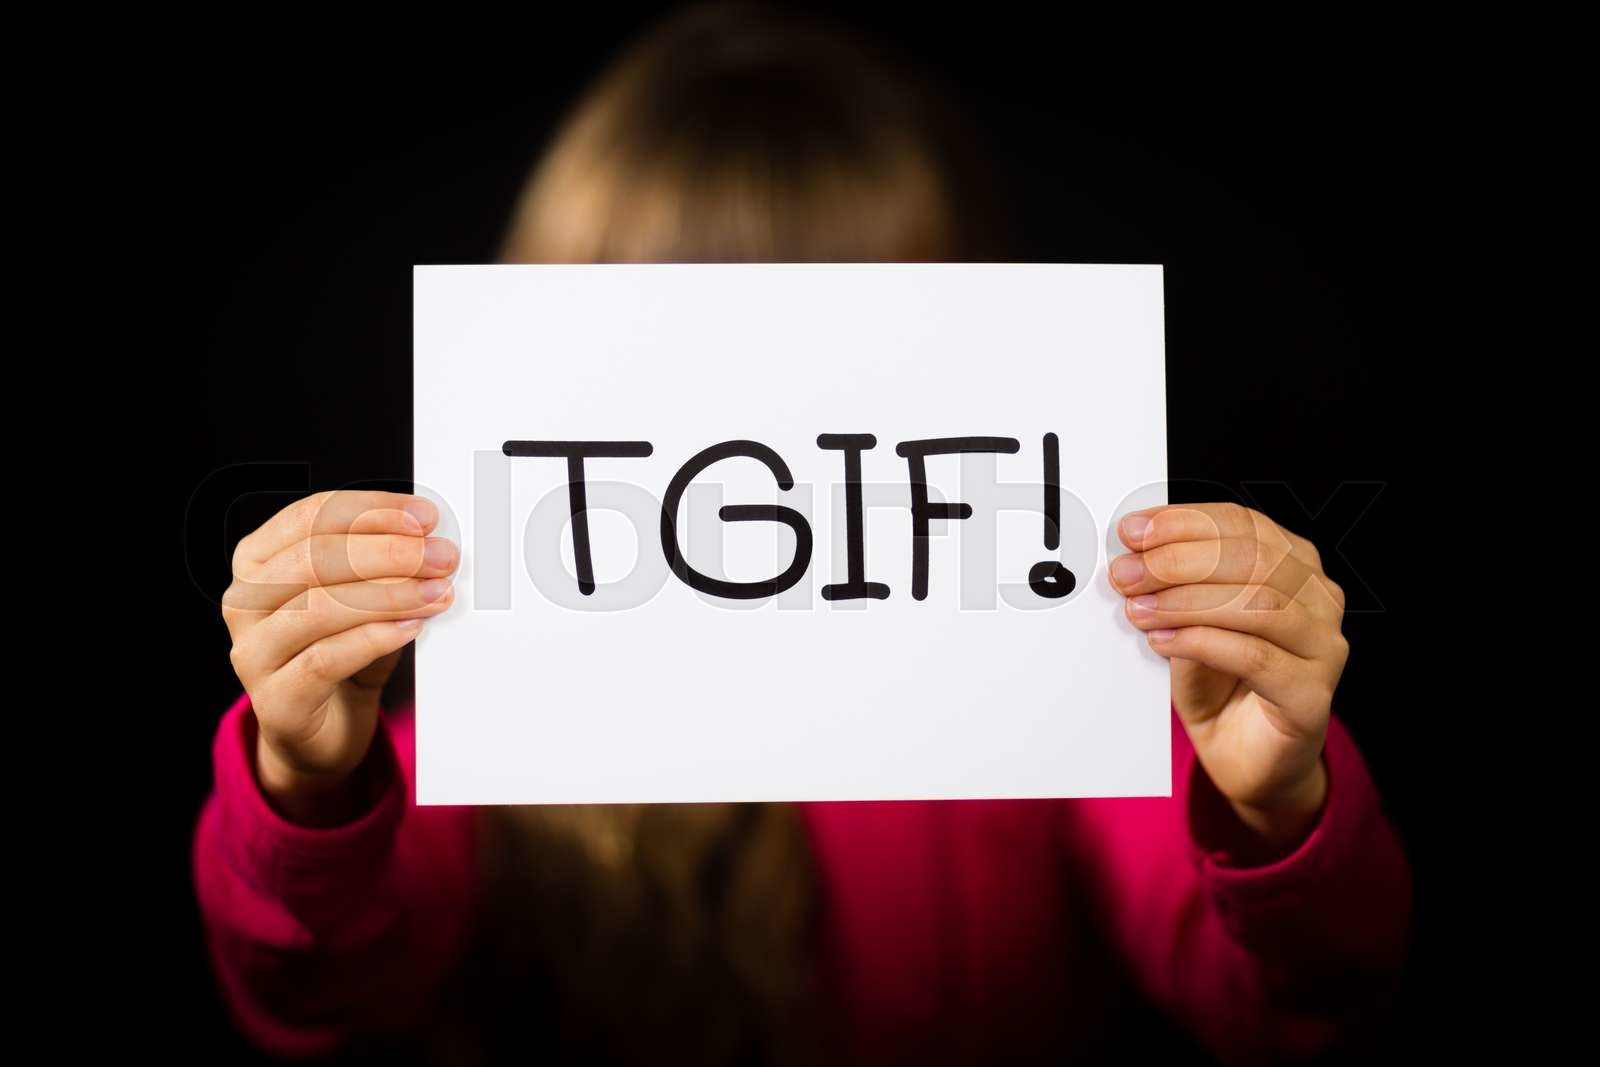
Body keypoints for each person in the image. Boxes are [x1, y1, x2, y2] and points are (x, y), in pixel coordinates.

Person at [193, 5, 1413, 1064]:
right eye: (671, 359)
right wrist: (307, 788)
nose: (767, 429)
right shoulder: (478, 738)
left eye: (850, 365)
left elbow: (1288, 1016)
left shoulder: (1066, 710)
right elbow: (324, 1006)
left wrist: (1270, 812)